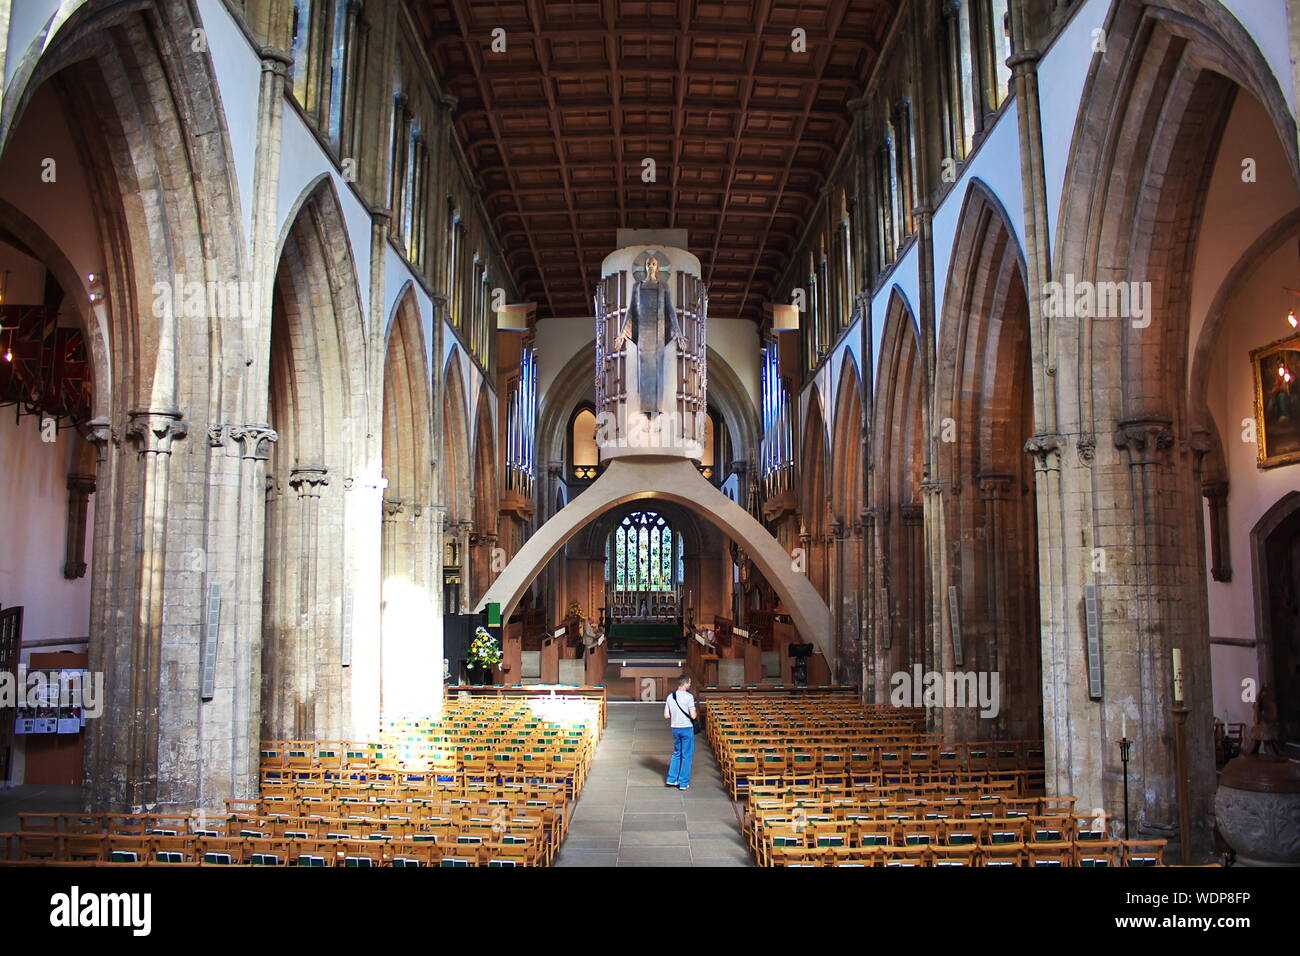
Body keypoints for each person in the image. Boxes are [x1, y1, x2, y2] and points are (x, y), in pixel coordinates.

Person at [664, 675, 698, 791]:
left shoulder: (670, 696)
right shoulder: (689, 697)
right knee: (686, 755)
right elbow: (693, 715)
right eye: (690, 683)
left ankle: (671, 778)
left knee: (677, 753)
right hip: (686, 728)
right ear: (686, 683)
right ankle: (683, 782)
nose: (690, 685)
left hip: (675, 728)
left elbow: (666, 715)